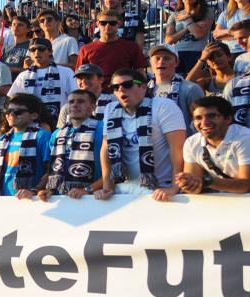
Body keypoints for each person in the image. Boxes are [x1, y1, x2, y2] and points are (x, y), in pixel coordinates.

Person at [100, 68, 188, 200]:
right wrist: (107, 185)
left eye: (127, 85)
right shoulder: (110, 109)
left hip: (160, 188)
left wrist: (175, 187)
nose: (121, 89)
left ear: (143, 86)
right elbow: (106, 148)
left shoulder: (164, 106)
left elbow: (178, 149)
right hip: (125, 188)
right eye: (115, 87)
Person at [175, 95, 250, 194]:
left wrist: (205, 181)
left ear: (228, 119)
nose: (204, 122)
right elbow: (195, 188)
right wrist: (188, 183)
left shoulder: (246, 139)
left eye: (212, 116)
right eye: (198, 118)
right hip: (225, 201)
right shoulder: (191, 143)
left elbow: (248, 186)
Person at [34, 89, 106, 201]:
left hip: (95, 198)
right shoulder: (56, 134)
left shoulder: (103, 128)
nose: (75, 105)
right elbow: (52, 169)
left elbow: (112, 171)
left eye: (81, 101)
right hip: (63, 198)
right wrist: (47, 189)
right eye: (71, 102)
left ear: (93, 107)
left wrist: (86, 190)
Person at [0, 93, 54, 198]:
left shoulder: (43, 136)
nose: (11, 115)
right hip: (2, 199)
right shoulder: (2, 139)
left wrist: (34, 191)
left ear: (34, 115)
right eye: (8, 112)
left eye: (17, 112)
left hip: (31, 199)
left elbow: (52, 170)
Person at [8, 38, 79, 125]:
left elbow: (75, 97)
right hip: (31, 124)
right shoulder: (23, 75)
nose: (37, 52)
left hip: (60, 123)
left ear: (50, 52)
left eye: (41, 49)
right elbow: (12, 99)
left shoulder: (66, 72)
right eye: (33, 50)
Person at [76, 9, 148, 82]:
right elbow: (80, 76)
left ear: (119, 24)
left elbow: (140, 73)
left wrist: (134, 90)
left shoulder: (132, 47)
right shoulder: (86, 49)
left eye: (112, 23)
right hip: (95, 92)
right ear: (97, 24)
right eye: (103, 23)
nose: (108, 25)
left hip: (123, 90)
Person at [148, 43, 205, 131]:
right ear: (150, 62)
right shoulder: (143, 90)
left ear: (176, 62)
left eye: (167, 58)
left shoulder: (191, 89)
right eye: (157, 58)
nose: (161, 61)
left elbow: (202, 121)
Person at [165, 0, 216, 74]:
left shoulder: (207, 12)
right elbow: (168, 40)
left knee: (196, 83)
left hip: (198, 54)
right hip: (178, 55)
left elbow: (199, 34)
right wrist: (187, 28)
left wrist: (187, 19)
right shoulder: (174, 15)